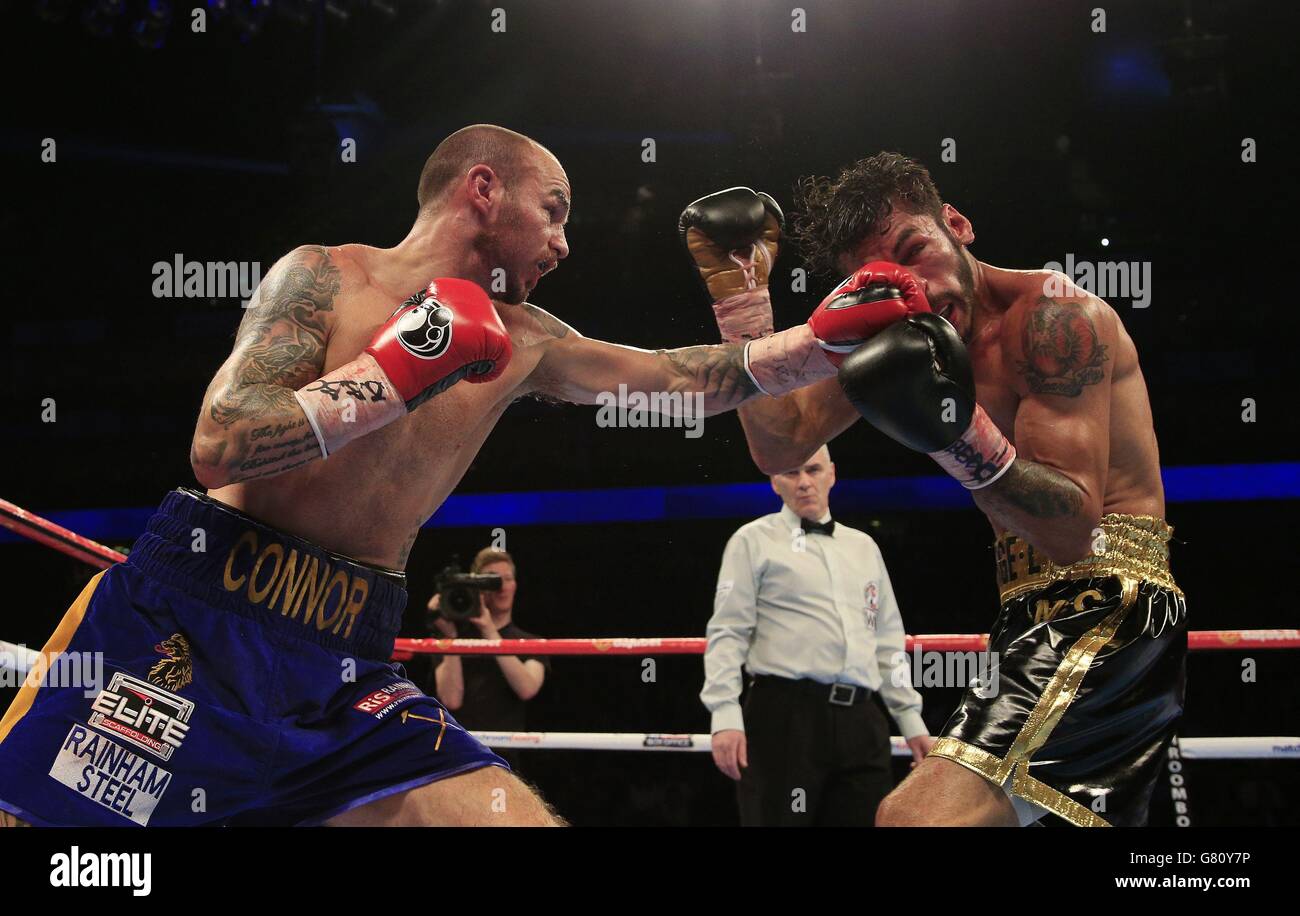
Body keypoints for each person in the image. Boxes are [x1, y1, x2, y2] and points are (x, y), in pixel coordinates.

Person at [0, 126, 900, 827]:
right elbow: (220, 443)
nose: (564, 242)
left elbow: (679, 381)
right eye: (553, 209)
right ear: (483, 188)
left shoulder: (531, 339)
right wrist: (397, 373)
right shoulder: (325, 277)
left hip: (347, 658)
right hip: (193, 624)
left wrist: (811, 340)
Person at [698, 155, 1186, 827]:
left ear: (956, 223)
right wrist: (741, 297)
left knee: (913, 820)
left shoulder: (1052, 317)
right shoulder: (903, 331)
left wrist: (953, 430)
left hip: (1106, 604)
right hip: (1026, 611)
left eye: (917, 250)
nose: (915, 285)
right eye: (882, 276)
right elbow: (781, 442)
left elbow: (1075, 533)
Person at [702, 445, 932, 826]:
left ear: (832, 474)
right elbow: (728, 631)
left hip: (862, 719)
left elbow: (887, 640)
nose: (804, 482)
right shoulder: (751, 541)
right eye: (792, 473)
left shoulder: (864, 547)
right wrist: (725, 712)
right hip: (783, 716)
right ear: (775, 481)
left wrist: (911, 722)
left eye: (813, 470)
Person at [429, 548, 549, 769]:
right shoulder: (453, 639)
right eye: (493, 581)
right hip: (457, 753)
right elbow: (451, 699)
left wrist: (489, 631)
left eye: (507, 579)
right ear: (479, 589)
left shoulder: (532, 642)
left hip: (504, 759)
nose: (502, 587)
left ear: (515, 585)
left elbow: (527, 687)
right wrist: (451, 636)